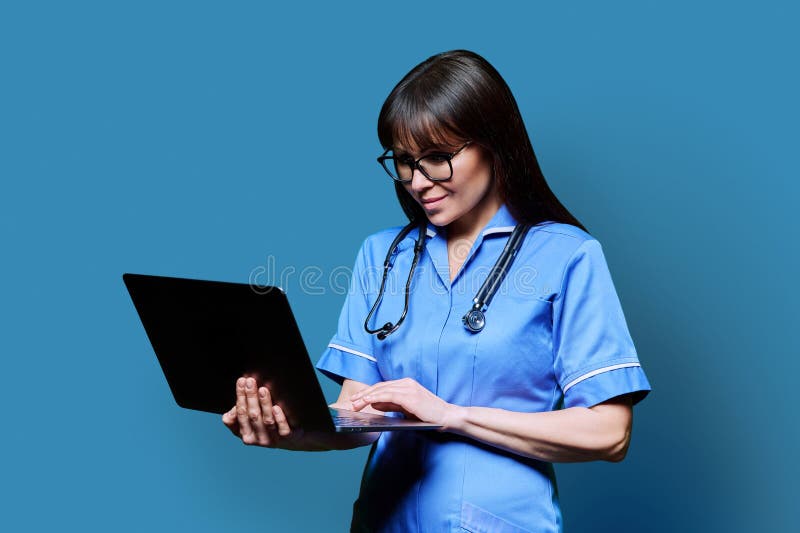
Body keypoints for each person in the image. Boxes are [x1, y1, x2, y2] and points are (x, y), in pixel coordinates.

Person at [222, 49, 651, 532]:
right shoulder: (383, 255)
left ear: (494, 144)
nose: (418, 182)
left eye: (437, 158)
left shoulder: (568, 255)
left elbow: (609, 433)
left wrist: (451, 416)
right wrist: (293, 429)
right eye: (404, 163)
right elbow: (358, 413)